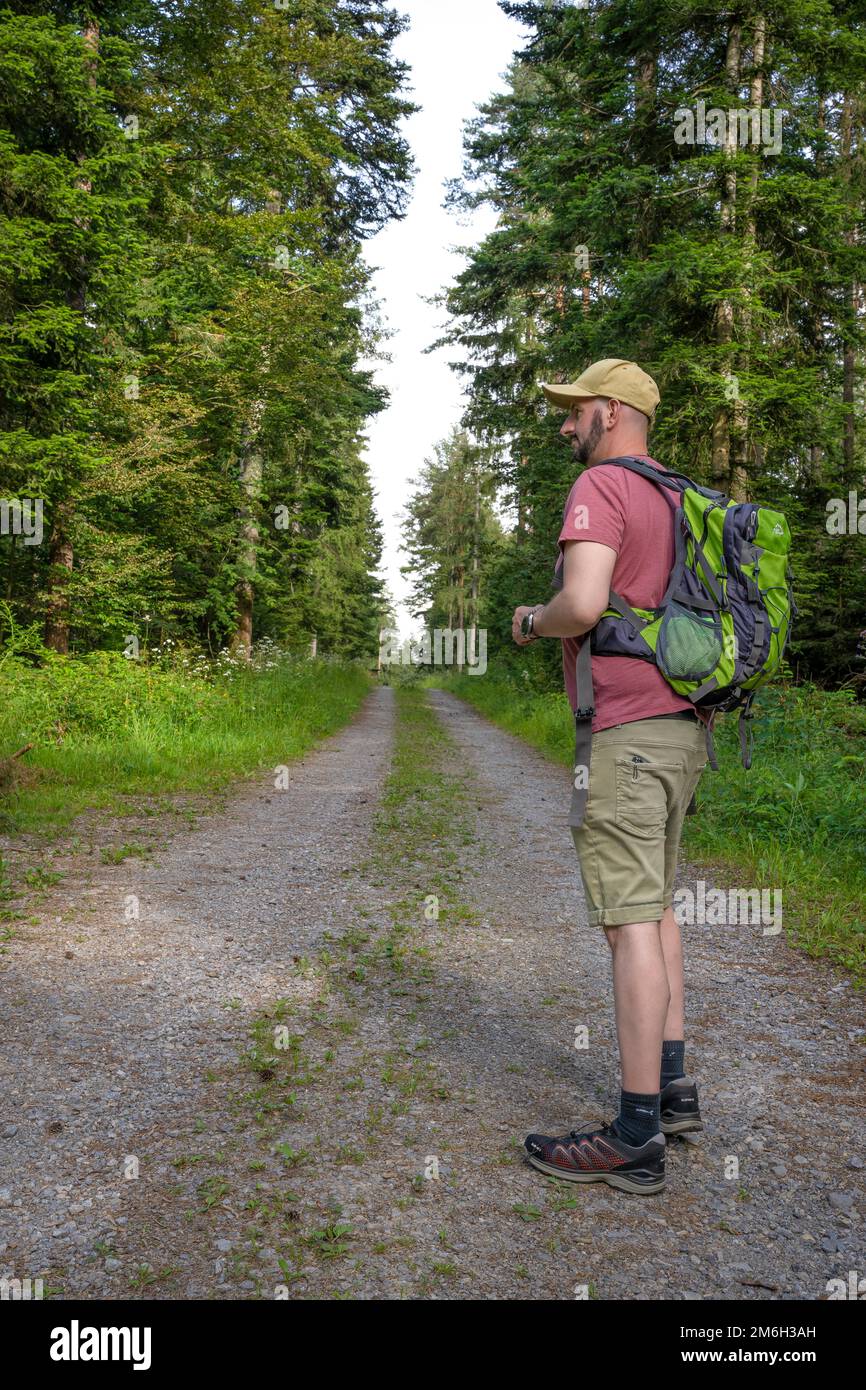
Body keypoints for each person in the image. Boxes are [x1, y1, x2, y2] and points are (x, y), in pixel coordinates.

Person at [512, 358, 707, 1195]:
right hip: (683, 731)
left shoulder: (604, 488)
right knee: (656, 906)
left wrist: (530, 619)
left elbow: (583, 604)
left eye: (575, 411)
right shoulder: (683, 497)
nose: (566, 426)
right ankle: (673, 1091)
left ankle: (633, 1136)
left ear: (611, 413)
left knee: (629, 922)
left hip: (625, 733)